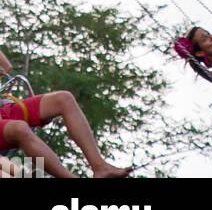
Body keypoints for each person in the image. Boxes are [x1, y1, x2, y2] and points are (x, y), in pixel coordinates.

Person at [0, 47, 131, 179]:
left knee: (63, 99)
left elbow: (5, 67)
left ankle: (100, 167)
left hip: (4, 111)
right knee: (19, 128)